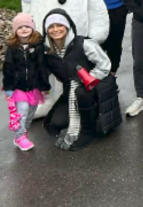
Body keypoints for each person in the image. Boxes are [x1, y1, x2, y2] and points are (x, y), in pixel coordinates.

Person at [41, 8, 112, 151]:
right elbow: (41, 74)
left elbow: (105, 65)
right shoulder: (48, 52)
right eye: (51, 27)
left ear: (67, 26)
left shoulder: (84, 44)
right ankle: (77, 122)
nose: (56, 30)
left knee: (81, 92)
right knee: (56, 123)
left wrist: (90, 78)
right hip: (70, 91)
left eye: (60, 25)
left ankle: (87, 131)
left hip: (94, 88)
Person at [2, 13, 51, 151]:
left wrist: (44, 86)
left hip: (34, 86)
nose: (24, 29)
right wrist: (8, 88)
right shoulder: (12, 48)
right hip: (18, 87)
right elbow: (8, 68)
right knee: (21, 111)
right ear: (15, 31)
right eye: (20, 27)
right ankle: (19, 136)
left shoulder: (38, 46)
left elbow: (42, 67)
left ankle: (24, 130)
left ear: (32, 28)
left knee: (31, 111)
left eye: (27, 26)